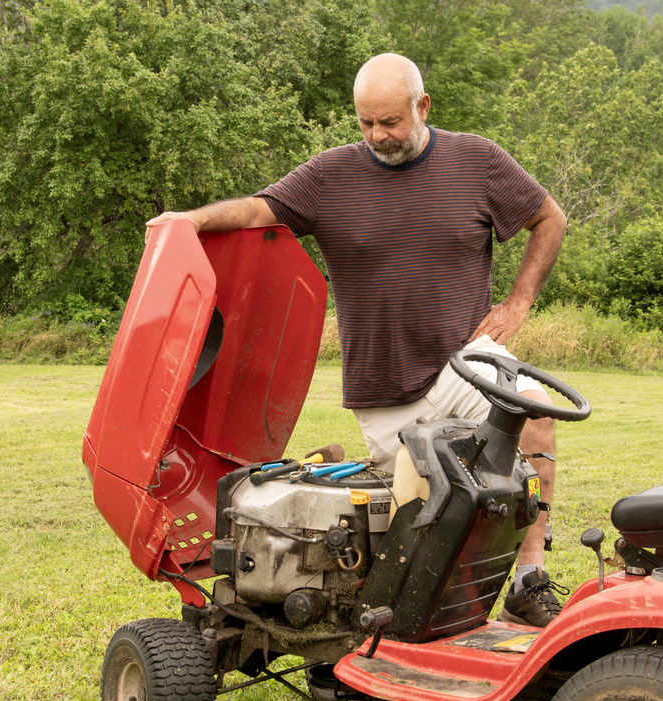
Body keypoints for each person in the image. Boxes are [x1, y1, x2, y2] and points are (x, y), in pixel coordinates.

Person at [147, 53, 569, 626]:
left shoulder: (477, 161)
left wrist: (519, 301)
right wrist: (191, 221)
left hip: (463, 364)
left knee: (533, 413)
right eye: (366, 122)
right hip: (382, 391)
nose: (377, 135)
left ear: (422, 107)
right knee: (422, 524)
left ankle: (528, 580)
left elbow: (550, 217)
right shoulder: (330, 176)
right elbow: (260, 209)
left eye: (390, 122)